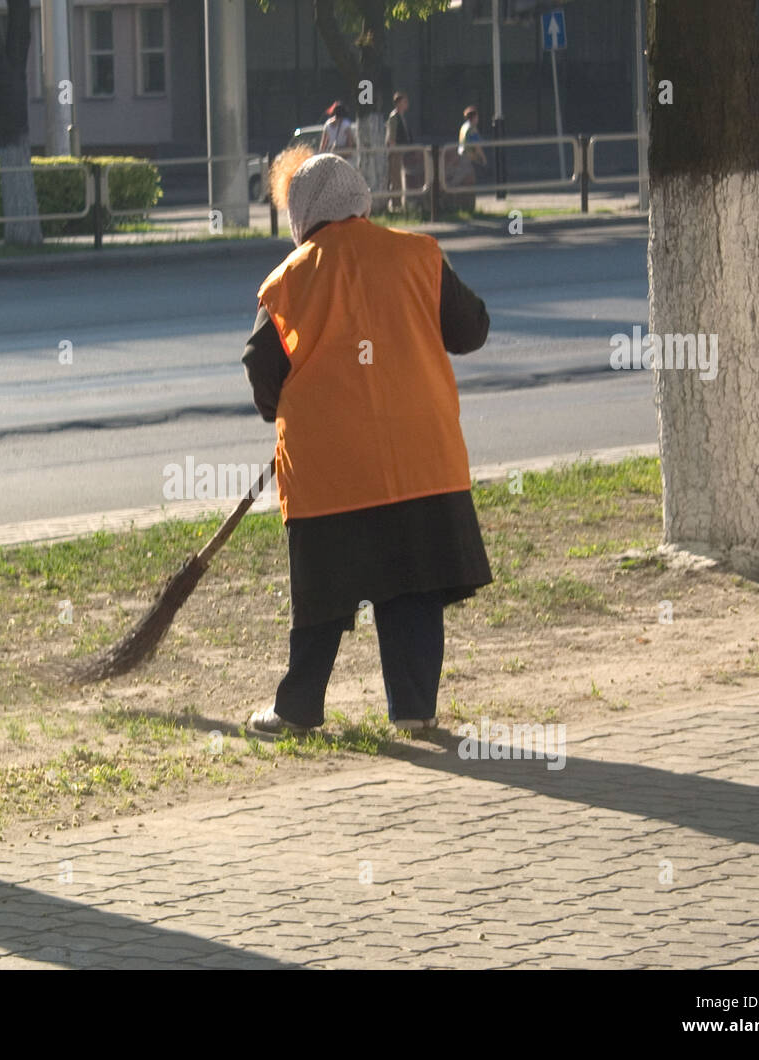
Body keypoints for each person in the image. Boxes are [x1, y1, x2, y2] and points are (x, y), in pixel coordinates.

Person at [242, 147, 493, 736]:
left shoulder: (287, 281)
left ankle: (298, 710)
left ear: (300, 214)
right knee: (413, 588)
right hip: (421, 466)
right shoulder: (418, 254)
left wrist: (285, 413)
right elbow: (471, 329)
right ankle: (414, 711)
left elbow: (261, 367)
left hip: (331, 477)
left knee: (322, 598)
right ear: (361, 200)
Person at [385, 91, 414, 210]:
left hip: (403, 152)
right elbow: (392, 137)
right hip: (396, 152)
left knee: (401, 178)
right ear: (398, 103)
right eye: (404, 102)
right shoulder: (394, 117)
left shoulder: (402, 116)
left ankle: (400, 203)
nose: (407, 104)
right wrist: (393, 152)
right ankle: (396, 204)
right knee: (396, 179)